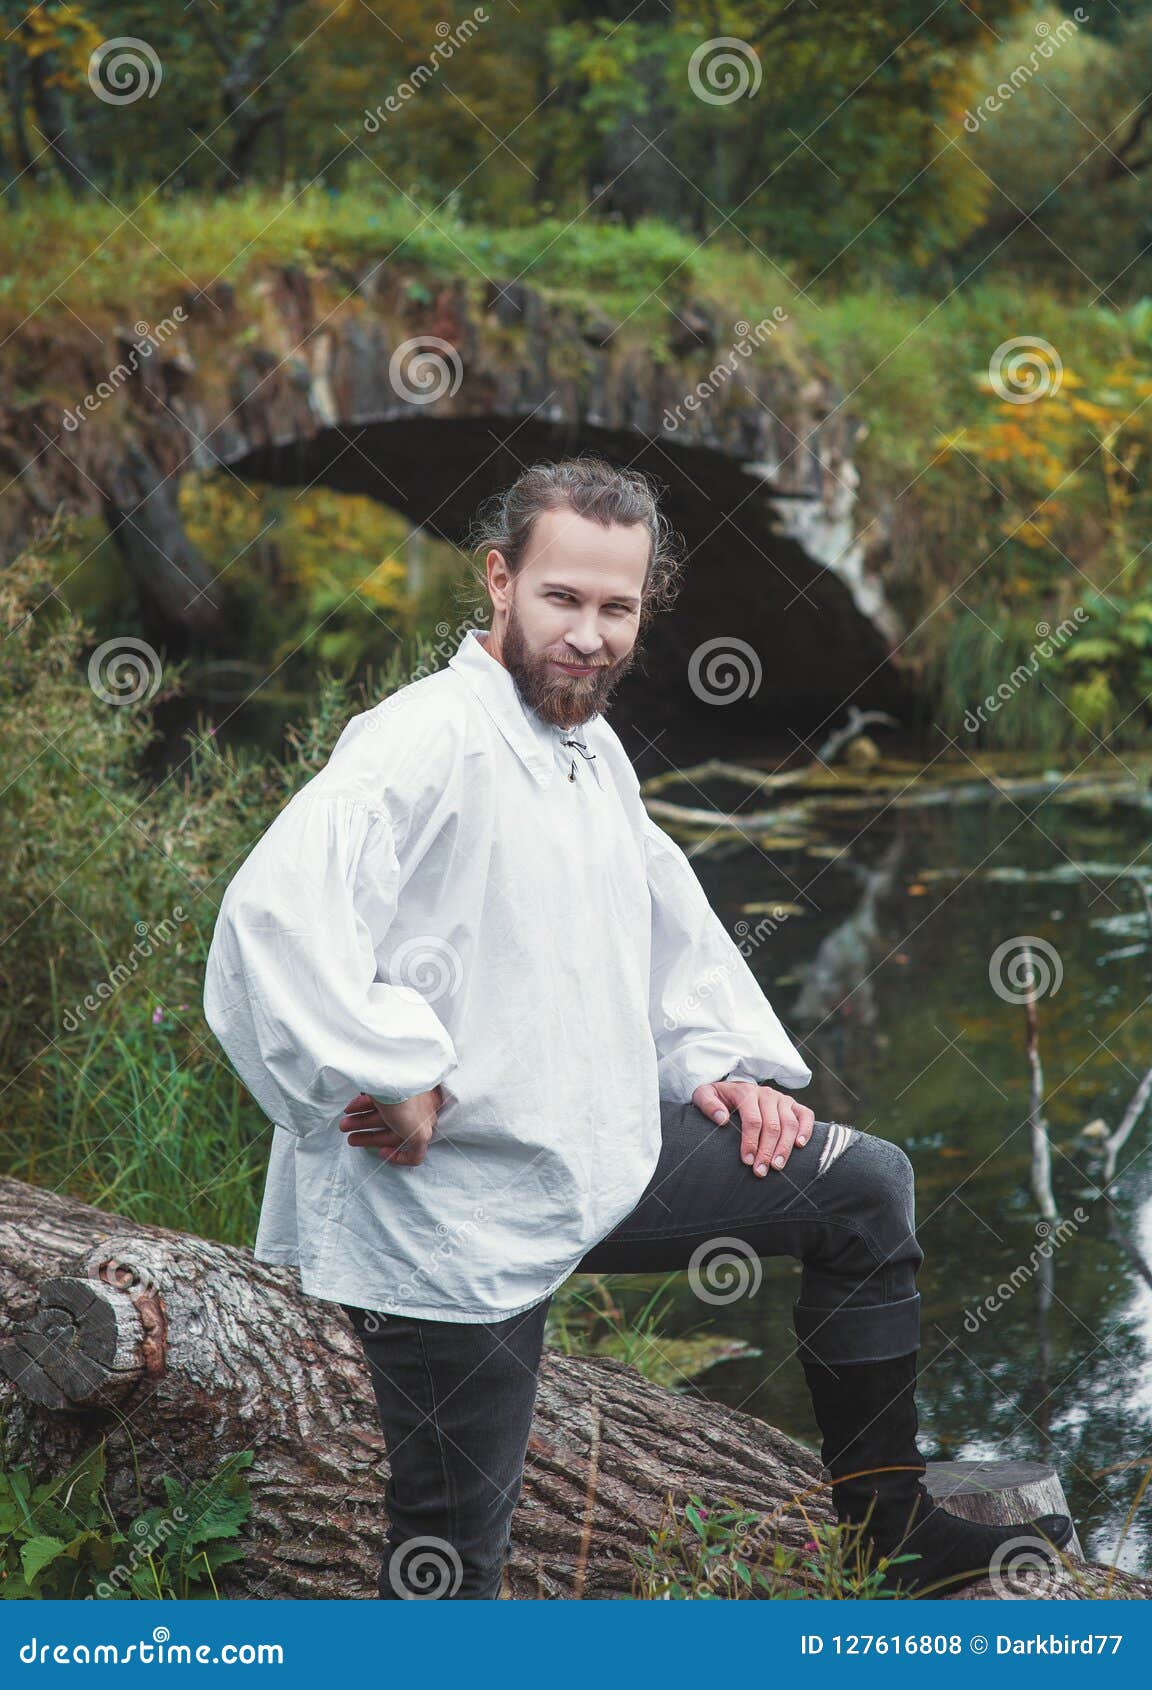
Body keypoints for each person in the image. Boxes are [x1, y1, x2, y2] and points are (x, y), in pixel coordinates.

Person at [203, 455, 1072, 1601]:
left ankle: (888, 1527)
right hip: (447, 1215)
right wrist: (389, 1069)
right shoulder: (425, 739)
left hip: (591, 1144)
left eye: (617, 608)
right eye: (564, 598)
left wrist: (716, 1062)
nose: (590, 636)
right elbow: (271, 915)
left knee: (863, 1190)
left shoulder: (586, 747)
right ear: (500, 581)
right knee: (452, 1565)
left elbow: (652, 919)